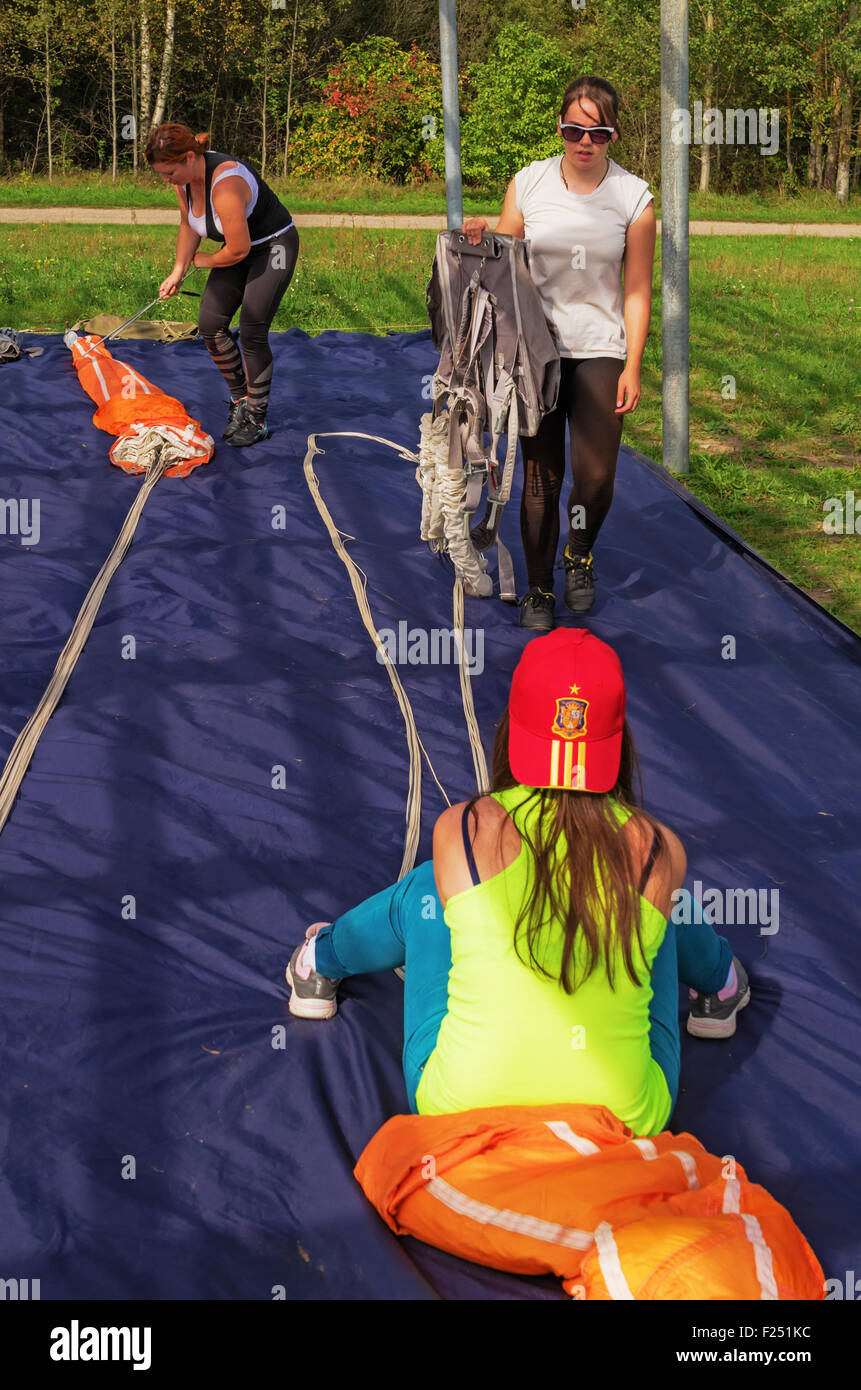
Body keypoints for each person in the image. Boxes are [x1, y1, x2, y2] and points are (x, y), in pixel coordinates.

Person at [285, 629, 749, 1135]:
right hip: (625, 1119)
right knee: (659, 909)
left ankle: (320, 962)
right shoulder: (658, 847)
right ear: (619, 742)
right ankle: (722, 983)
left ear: (510, 728)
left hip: (462, 1106)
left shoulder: (464, 828)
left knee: (428, 890)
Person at [461, 76, 656, 629]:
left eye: (597, 131)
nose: (584, 141)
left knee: (594, 478)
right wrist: (483, 236)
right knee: (541, 479)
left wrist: (634, 362)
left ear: (613, 134)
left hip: (599, 349)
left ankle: (579, 552)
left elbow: (638, 288)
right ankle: (540, 589)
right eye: (574, 129)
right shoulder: (529, 183)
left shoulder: (633, 198)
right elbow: (504, 254)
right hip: (534, 351)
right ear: (560, 129)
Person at [145, 124, 299, 448]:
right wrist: (178, 269)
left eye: (169, 172)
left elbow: (239, 250)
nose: (166, 179)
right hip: (234, 249)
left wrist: (204, 261)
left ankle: (257, 418)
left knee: (252, 328)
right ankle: (241, 401)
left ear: (189, 157)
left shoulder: (226, 186)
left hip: (273, 248)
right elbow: (189, 224)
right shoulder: (183, 181)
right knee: (210, 325)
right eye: (161, 174)